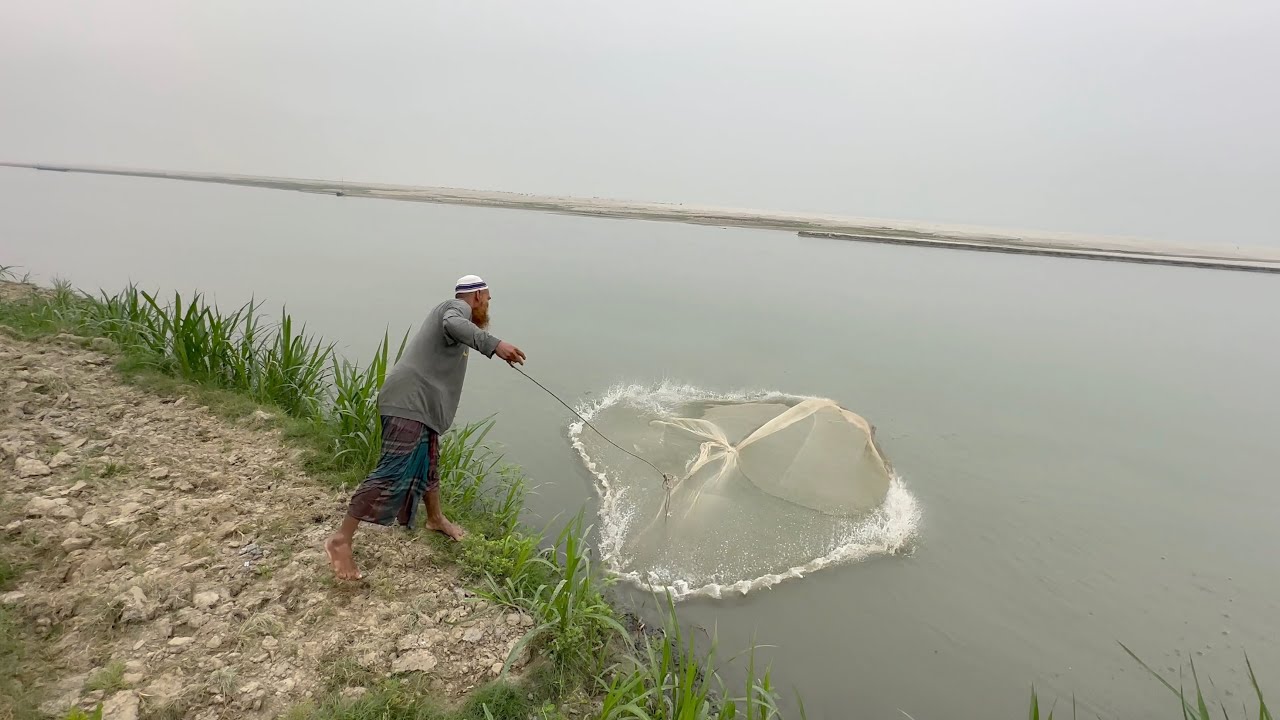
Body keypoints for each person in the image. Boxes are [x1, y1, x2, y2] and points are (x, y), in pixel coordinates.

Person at [325, 275, 526, 581]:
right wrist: (495, 345)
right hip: (408, 402)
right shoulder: (454, 309)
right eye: (487, 298)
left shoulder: (461, 324)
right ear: (476, 297)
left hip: (421, 408)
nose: (488, 304)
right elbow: (452, 322)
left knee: (429, 462)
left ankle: (435, 519)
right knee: (391, 470)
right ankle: (341, 539)